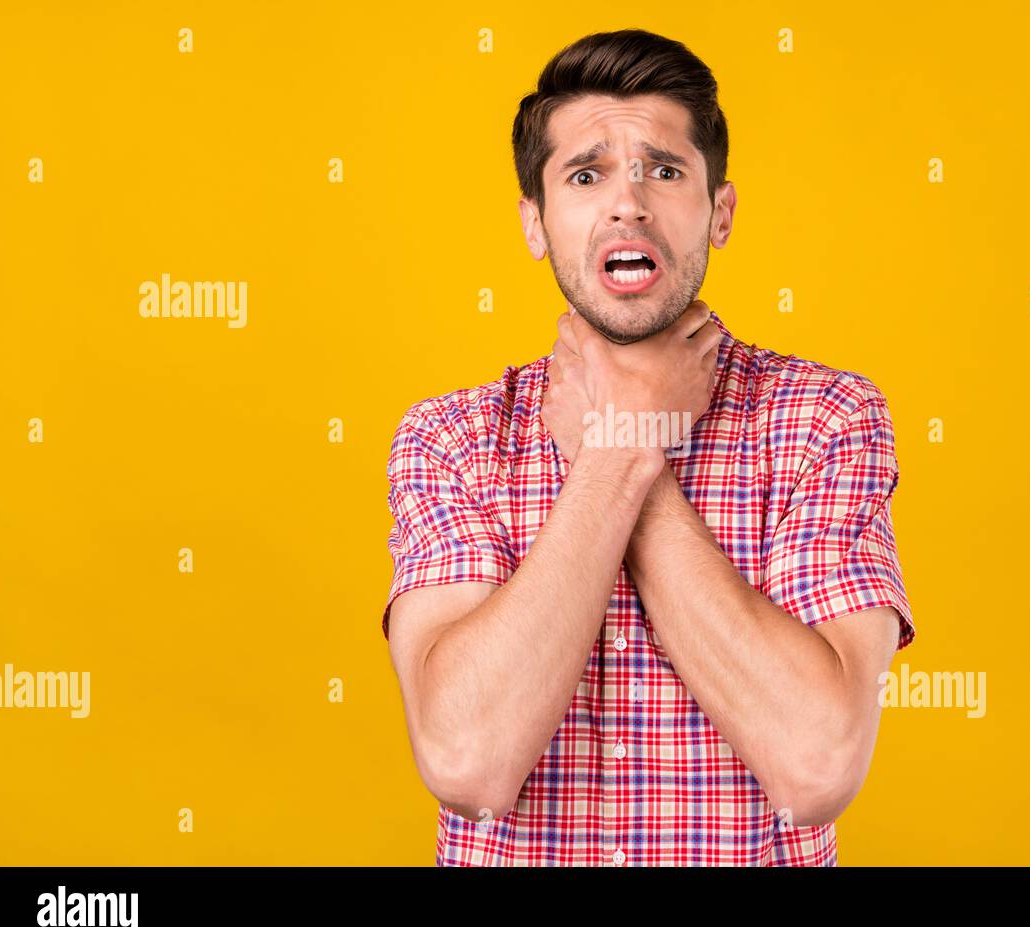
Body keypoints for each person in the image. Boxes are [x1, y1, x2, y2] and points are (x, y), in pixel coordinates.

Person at [382, 28, 915, 866]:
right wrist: (620, 450)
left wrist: (625, 446)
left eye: (664, 171)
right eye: (586, 175)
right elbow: (465, 760)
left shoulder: (826, 418)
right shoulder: (450, 439)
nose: (627, 201)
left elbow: (818, 766)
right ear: (535, 222)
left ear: (721, 211)